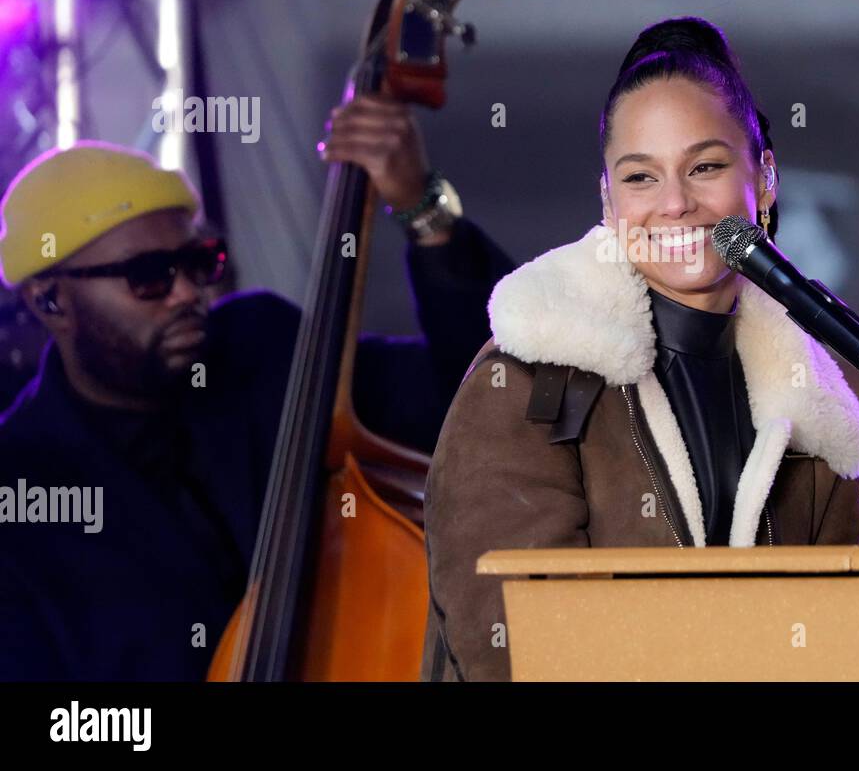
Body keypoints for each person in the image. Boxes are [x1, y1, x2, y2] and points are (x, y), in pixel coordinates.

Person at [423, 17, 859, 682]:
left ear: (766, 177)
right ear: (608, 197)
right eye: (640, 177)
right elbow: (517, 647)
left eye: (706, 166)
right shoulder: (531, 375)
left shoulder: (814, 418)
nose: (674, 203)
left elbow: (853, 646)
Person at [0, 94, 514, 680]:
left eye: (200, 261)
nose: (188, 293)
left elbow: (480, 390)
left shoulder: (263, 349)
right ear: (50, 301)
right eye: (148, 275)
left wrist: (426, 215)